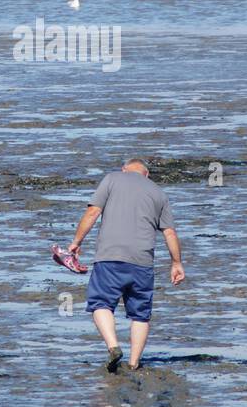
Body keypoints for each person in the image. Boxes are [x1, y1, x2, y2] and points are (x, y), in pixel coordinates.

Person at [67, 159, 185, 372]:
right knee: (140, 314)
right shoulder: (159, 193)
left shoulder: (112, 179)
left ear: (125, 169)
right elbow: (169, 232)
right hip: (142, 262)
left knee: (100, 303)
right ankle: (133, 363)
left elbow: (93, 212)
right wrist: (176, 263)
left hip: (110, 256)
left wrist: (76, 242)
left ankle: (113, 346)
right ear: (146, 175)